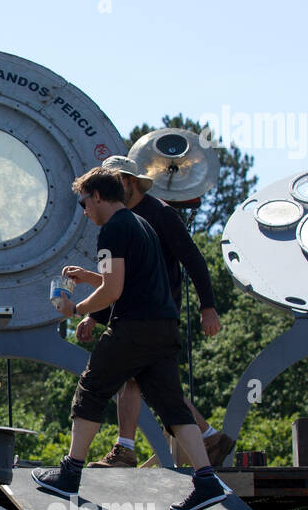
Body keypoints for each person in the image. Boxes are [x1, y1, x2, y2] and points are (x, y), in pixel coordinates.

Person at [32, 167, 227, 510]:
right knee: (172, 406)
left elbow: (113, 290)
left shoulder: (112, 231)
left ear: (97, 196)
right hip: (163, 328)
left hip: (134, 327)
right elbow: (124, 279)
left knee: (91, 390)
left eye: (83, 202)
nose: (84, 211)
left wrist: (76, 308)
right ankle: (207, 480)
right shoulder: (142, 225)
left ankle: (70, 473)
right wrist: (89, 277)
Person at [77, 155, 234, 468]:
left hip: (152, 313)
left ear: (131, 182)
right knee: (154, 388)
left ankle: (112, 453)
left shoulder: (157, 215)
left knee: (107, 384)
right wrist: (94, 315)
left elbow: (193, 259)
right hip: (136, 312)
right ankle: (206, 441)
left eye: (115, 180)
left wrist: (208, 307)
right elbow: (120, 282)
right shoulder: (121, 221)